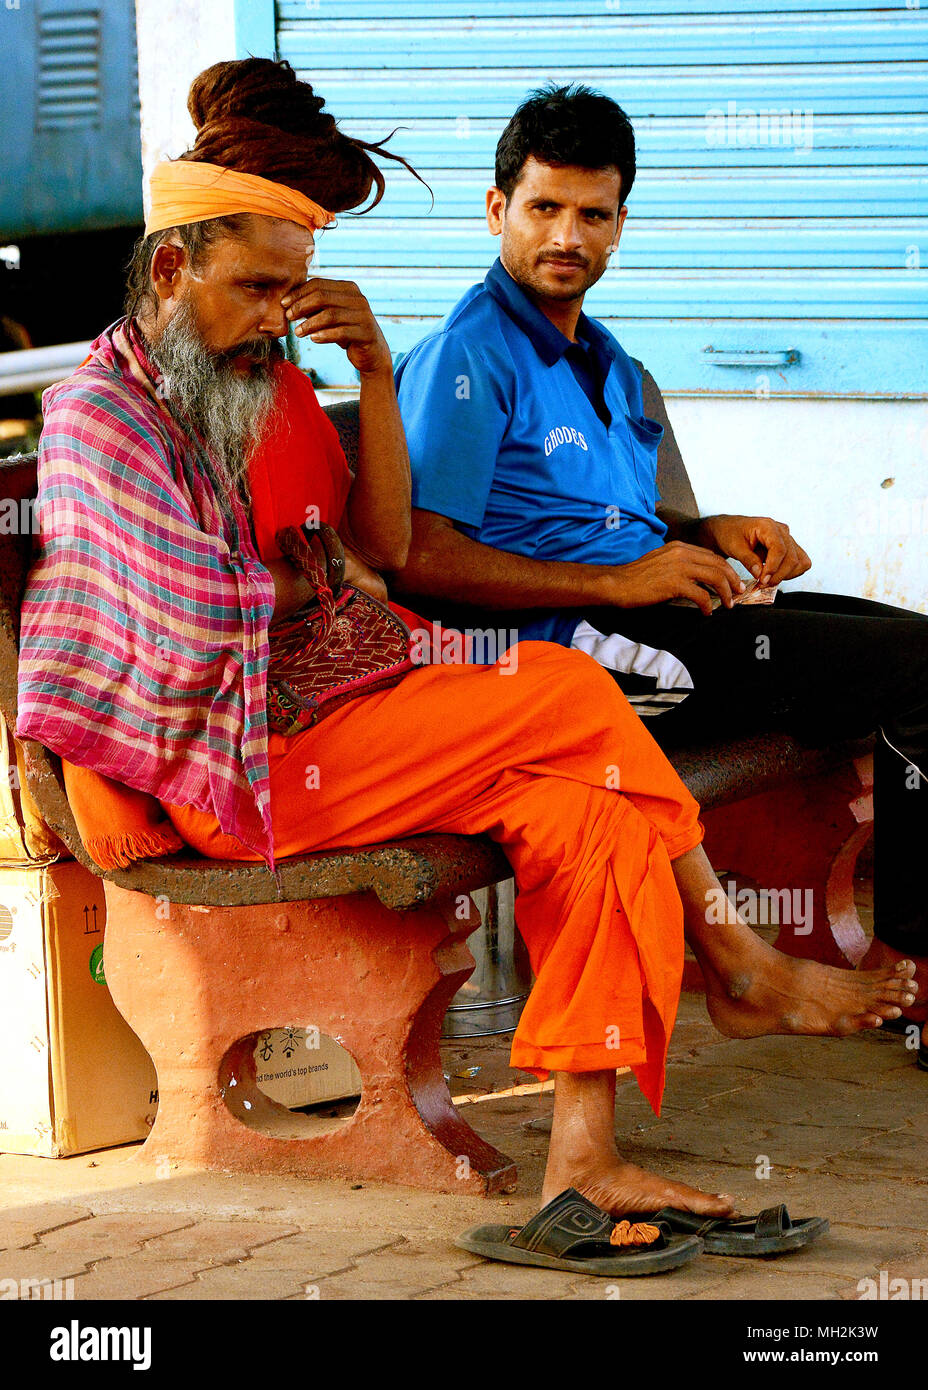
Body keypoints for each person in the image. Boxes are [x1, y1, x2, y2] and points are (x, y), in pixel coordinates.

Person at [16, 60, 915, 1264]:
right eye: (256, 290)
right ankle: (737, 954)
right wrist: (313, 581)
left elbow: (372, 555)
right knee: (564, 691)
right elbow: (192, 625)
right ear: (172, 269)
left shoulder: (247, 384)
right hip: (238, 767)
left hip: (340, 712)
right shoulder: (98, 416)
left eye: (290, 293)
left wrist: (367, 401)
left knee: (585, 809)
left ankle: (578, 1165)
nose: (277, 318)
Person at [391, 82, 928, 1066]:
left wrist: (708, 526)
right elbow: (421, 557)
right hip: (582, 665)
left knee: (917, 649)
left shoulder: (599, 356)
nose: (567, 234)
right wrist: (613, 587)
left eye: (592, 214)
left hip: (668, 627)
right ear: (495, 208)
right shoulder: (466, 361)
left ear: (620, 223)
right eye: (544, 207)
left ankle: (907, 949)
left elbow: (593, 514)